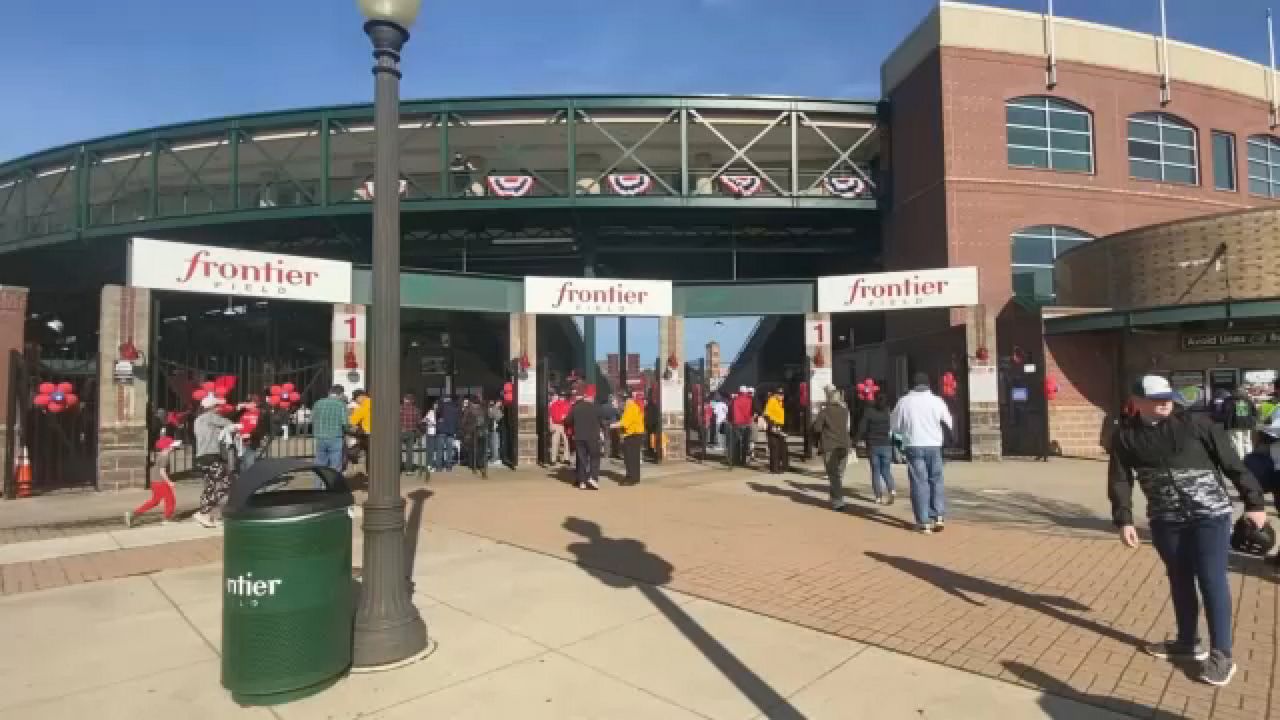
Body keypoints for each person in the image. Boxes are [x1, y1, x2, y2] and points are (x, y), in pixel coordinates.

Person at [1109, 375, 1268, 687]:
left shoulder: (1198, 425)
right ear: (1137, 401)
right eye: (1156, 399)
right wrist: (1124, 519)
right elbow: (1120, 479)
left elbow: (1233, 464)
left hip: (1210, 516)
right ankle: (1186, 643)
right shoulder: (1124, 437)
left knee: (1211, 579)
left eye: (1168, 396)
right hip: (1166, 520)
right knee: (1179, 578)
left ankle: (1222, 654)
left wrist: (1254, 503)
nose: (1165, 402)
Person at [891, 372, 953, 534]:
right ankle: (938, 515)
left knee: (919, 482)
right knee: (936, 480)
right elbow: (948, 422)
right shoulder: (937, 401)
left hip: (914, 444)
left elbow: (895, 427)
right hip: (934, 445)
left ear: (912, 384)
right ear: (928, 385)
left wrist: (900, 443)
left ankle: (923, 521)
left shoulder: (904, 402)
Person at [193, 395, 238, 528]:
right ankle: (204, 512)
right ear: (212, 407)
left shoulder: (198, 420)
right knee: (226, 482)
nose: (220, 409)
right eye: (218, 406)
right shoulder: (210, 417)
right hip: (211, 456)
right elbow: (229, 424)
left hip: (201, 457)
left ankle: (205, 514)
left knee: (210, 485)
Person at [126, 434, 181, 527]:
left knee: (155, 501)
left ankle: (133, 514)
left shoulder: (160, 455)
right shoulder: (165, 457)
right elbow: (162, 471)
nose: (174, 447)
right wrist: (169, 482)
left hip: (155, 482)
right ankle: (167, 519)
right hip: (161, 482)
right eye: (172, 446)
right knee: (170, 500)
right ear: (167, 447)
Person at [811, 386, 851, 510]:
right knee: (838, 474)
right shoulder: (844, 411)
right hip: (844, 445)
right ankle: (834, 497)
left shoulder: (825, 411)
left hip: (830, 446)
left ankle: (838, 501)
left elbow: (817, 428)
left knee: (833, 475)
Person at [855, 392, 897, 504]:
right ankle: (892, 489)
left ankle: (878, 496)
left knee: (875, 471)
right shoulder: (888, 413)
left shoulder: (869, 412)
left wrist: (856, 440)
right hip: (886, 444)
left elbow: (862, 427)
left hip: (873, 444)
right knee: (886, 470)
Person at [568, 387, 604, 489]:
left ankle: (582, 482)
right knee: (595, 458)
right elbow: (602, 420)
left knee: (581, 459)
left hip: (579, 436)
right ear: (592, 396)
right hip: (592, 437)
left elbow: (568, 420)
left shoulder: (576, 407)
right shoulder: (596, 407)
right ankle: (593, 478)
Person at [311, 385, 348, 472]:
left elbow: (312, 419)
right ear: (341, 394)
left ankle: (319, 484)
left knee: (320, 463)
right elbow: (344, 423)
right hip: (335, 437)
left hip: (320, 437)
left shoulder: (318, 403)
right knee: (335, 466)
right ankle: (332, 484)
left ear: (329, 393)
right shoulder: (341, 404)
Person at [615, 393, 645, 484]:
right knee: (635, 457)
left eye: (619, 400)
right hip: (637, 433)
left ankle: (631, 478)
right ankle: (635, 477)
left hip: (631, 434)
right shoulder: (636, 405)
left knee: (630, 457)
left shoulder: (630, 406)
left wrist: (612, 425)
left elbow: (625, 422)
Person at [1225, 388, 1258, 458]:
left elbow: (1226, 413)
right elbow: (1255, 413)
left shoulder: (1230, 401)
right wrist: (1253, 421)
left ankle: (1240, 460)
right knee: (1247, 441)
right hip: (1248, 424)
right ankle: (1250, 459)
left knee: (1237, 442)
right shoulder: (1248, 401)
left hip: (1234, 425)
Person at [763, 387, 787, 474]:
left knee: (780, 447)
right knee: (774, 448)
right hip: (773, 426)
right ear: (776, 394)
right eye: (780, 394)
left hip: (779, 427)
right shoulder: (772, 400)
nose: (782, 396)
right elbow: (766, 414)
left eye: (783, 394)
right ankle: (774, 468)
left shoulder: (780, 402)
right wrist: (772, 425)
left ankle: (779, 467)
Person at [729, 386, 754, 467]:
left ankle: (736, 460)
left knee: (736, 442)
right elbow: (752, 411)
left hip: (737, 423)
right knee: (745, 443)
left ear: (739, 391)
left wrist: (731, 420)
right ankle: (743, 461)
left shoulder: (735, 400)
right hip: (747, 423)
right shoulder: (750, 400)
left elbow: (730, 411)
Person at [437, 396, 460, 471]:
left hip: (441, 431)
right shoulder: (455, 409)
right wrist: (456, 431)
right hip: (451, 431)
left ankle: (439, 467)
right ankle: (449, 466)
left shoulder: (441, 407)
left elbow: (437, 415)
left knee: (440, 449)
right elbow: (457, 421)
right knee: (449, 450)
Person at [548, 392, 571, 465]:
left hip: (564, 425)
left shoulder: (568, 405)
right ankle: (553, 459)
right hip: (556, 424)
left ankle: (566, 458)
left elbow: (570, 415)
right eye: (561, 396)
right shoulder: (554, 405)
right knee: (555, 442)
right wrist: (551, 425)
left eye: (563, 396)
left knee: (565, 442)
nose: (562, 397)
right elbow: (550, 416)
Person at [400, 393, 421, 472]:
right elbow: (419, 423)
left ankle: (399, 467)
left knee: (398, 450)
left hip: (401, 432)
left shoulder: (399, 408)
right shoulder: (416, 410)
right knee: (410, 451)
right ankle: (409, 469)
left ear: (405, 400)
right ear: (412, 401)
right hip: (411, 432)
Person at [601, 394, 621, 460]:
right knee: (615, 439)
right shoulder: (614, 407)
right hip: (613, 424)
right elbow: (619, 415)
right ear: (612, 400)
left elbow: (601, 415)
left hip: (605, 424)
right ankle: (615, 453)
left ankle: (606, 453)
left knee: (607, 439)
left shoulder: (603, 406)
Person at [422, 398, 439, 471]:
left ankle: (432, 465)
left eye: (437, 405)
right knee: (430, 450)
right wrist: (428, 421)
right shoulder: (430, 412)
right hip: (430, 432)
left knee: (435, 450)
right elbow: (424, 420)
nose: (436, 406)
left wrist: (433, 423)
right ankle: (429, 465)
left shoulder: (440, 413)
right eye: (435, 405)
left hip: (437, 433)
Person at [488, 399, 504, 466]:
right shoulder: (495, 409)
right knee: (495, 443)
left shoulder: (492, 409)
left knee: (494, 443)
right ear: (497, 402)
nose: (500, 404)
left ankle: (494, 457)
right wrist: (502, 415)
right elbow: (497, 418)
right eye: (500, 403)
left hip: (493, 428)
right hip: (494, 429)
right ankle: (495, 458)